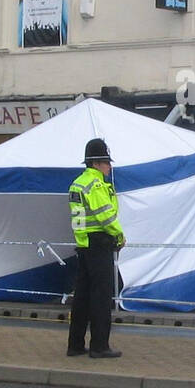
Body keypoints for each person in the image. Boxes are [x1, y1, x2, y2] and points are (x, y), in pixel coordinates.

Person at [66, 137, 125, 358]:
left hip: (83, 245)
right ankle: (100, 346)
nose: (110, 166)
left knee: (81, 297)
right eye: (107, 162)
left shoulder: (77, 184)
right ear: (96, 163)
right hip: (100, 245)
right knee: (101, 297)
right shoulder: (96, 184)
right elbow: (105, 216)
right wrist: (119, 235)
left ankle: (75, 345)